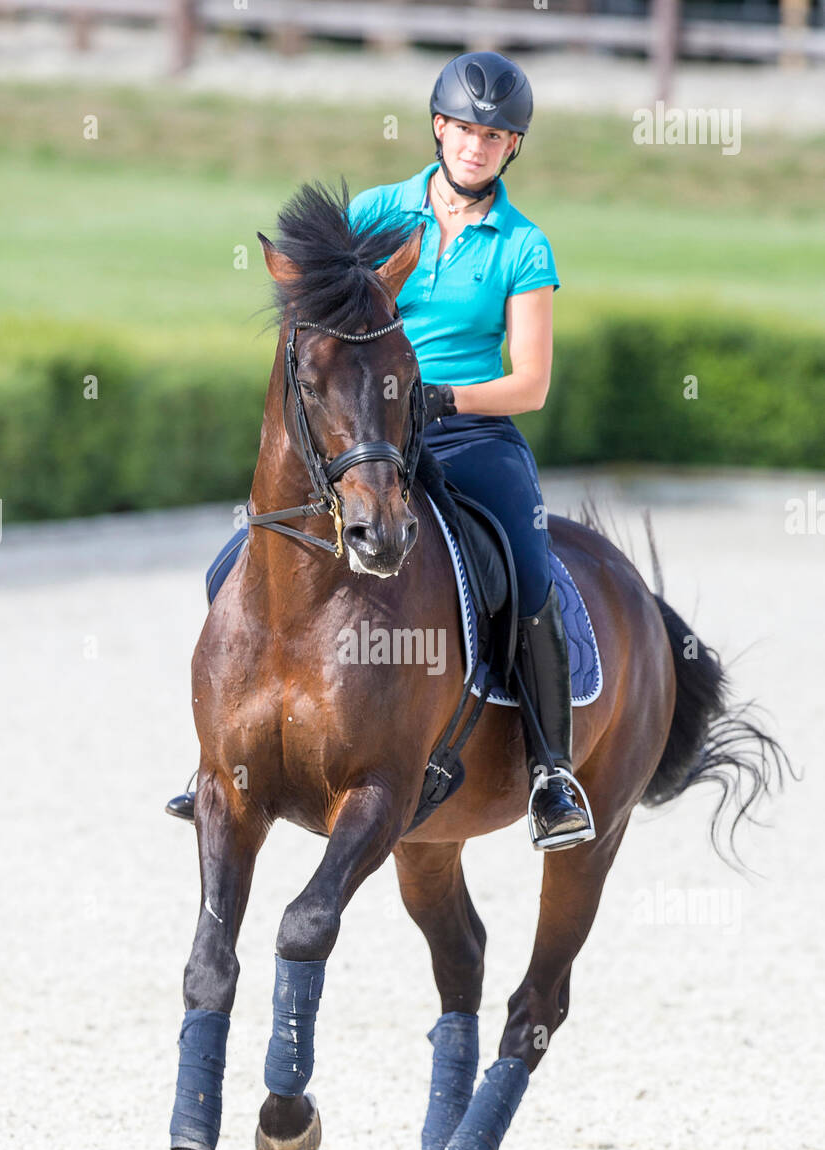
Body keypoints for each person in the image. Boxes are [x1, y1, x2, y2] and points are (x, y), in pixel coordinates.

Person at [167, 50, 592, 850]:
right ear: (438, 128)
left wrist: (442, 398)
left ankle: (549, 773)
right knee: (233, 564)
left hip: (467, 431)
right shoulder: (375, 211)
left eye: (494, 136)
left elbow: (530, 383)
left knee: (529, 571)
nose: (475, 145)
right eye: (464, 128)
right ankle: (219, 763)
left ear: (513, 149)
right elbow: (320, 321)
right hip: (364, 431)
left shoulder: (524, 246)